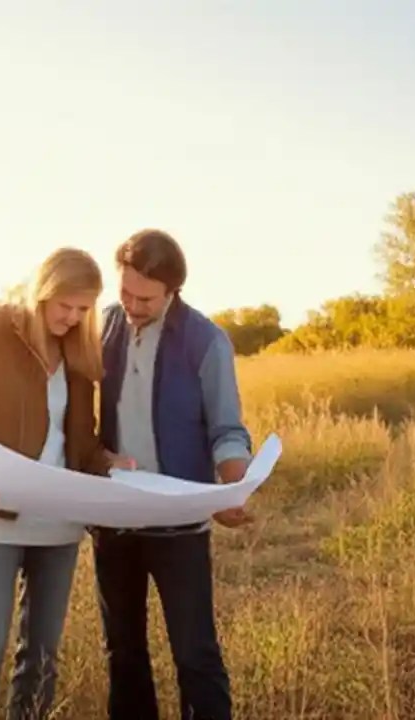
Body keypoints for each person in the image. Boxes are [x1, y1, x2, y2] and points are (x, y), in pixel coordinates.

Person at [0, 246, 134, 720]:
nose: (74, 317)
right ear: (43, 291)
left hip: (58, 524)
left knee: (40, 658)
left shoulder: (81, 350)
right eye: (66, 306)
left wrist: (110, 463)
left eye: (84, 309)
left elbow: (81, 443)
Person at [92, 228, 254, 720]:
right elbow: (83, 423)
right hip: (114, 521)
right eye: (124, 293)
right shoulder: (103, 328)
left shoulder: (207, 341)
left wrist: (233, 485)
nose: (132, 306)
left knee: (195, 654)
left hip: (180, 526)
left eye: (145, 298)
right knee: (123, 653)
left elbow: (228, 429)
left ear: (172, 291)